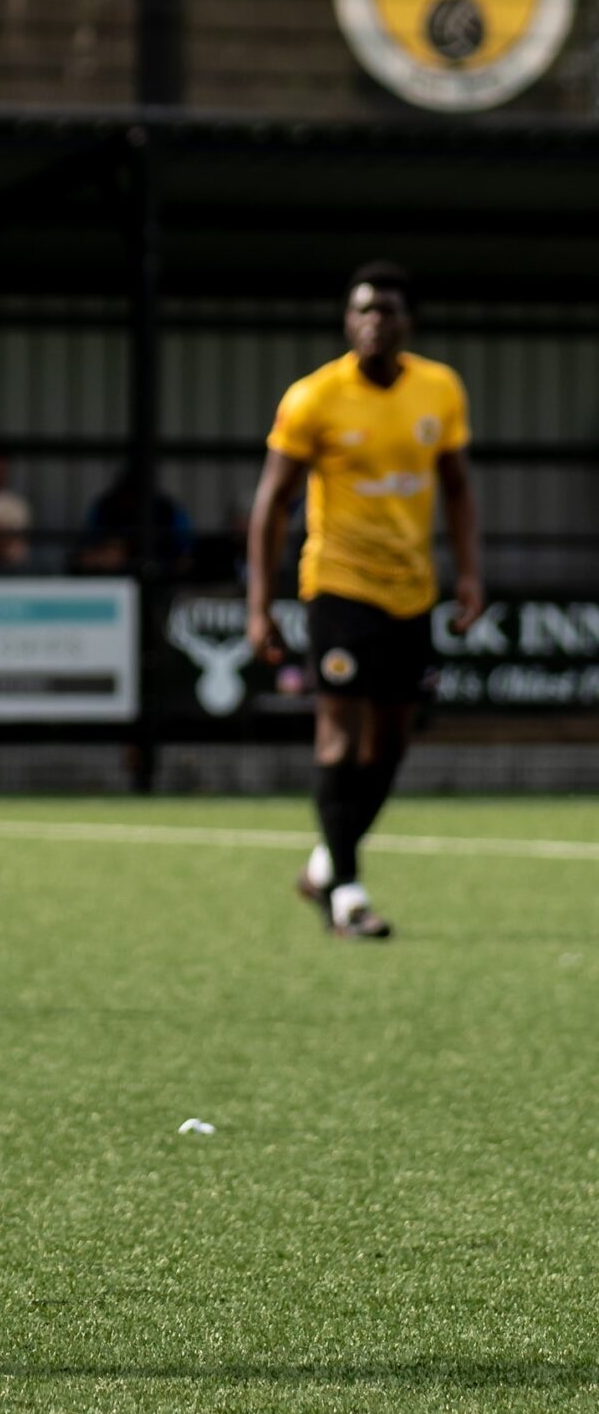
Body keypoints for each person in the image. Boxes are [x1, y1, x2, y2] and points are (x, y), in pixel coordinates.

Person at [247, 261, 483, 940]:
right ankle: (348, 893)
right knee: (339, 734)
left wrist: (470, 573)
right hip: (339, 587)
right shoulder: (314, 398)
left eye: (387, 310)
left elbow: (460, 488)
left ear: (409, 322)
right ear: (348, 322)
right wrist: (259, 604)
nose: (374, 321)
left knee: (392, 742)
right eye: (363, 310)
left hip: (412, 592)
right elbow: (271, 504)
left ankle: (327, 860)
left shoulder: (440, 389)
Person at [71, 466, 194, 575]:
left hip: (162, 572)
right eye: (130, 494)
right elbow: (87, 546)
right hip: (115, 574)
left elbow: (186, 548)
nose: (134, 502)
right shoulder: (106, 508)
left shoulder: (167, 509)